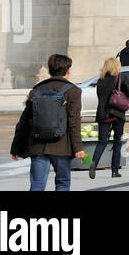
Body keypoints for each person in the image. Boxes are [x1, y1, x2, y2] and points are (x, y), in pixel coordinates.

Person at [10, 54, 84, 192]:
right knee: (62, 183)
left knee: (37, 185)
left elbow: (24, 121)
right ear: (68, 70)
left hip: (39, 145)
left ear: (50, 70)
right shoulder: (73, 91)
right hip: (62, 146)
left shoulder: (37, 89)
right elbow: (74, 121)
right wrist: (78, 147)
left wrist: (15, 147)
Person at [90, 57, 129, 178]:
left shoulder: (101, 79)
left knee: (102, 142)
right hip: (117, 114)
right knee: (117, 142)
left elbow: (100, 97)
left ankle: (94, 163)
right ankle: (115, 171)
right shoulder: (121, 77)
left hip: (103, 114)